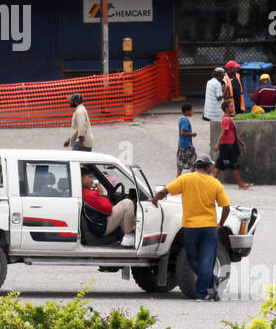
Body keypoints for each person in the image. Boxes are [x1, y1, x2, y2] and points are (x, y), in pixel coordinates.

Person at [149, 155, 231, 301]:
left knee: (193, 260)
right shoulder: (215, 183)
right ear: (208, 167)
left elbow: (164, 192)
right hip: (209, 227)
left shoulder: (185, 179)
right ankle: (205, 289)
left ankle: (210, 283)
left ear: (196, 166)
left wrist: (154, 200)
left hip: (190, 227)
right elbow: (226, 207)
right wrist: (221, 223)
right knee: (207, 260)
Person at [81, 170, 136, 246]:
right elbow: (108, 210)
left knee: (124, 214)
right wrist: (101, 194)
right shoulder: (89, 194)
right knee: (128, 203)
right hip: (101, 227)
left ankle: (125, 238)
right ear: (82, 179)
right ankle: (128, 237)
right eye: (90, 177)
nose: (92, 180)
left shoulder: (83, 192)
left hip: (95, 224)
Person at [213, 98, 254, 189]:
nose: (233, 108)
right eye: (231, 106)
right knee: (234, 164)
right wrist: (217, 144)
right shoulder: (226, 120)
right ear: (226, 109)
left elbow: (232, 133)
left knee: (220, 164)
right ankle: (241, 184)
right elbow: (223, 133)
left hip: (228, 145)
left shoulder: (228, 119)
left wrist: (240, 142)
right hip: (227, 146)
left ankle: (209, 183)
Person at [202, 68, 225, 155]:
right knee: (219, 129)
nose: (223, 78)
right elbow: (219, 97)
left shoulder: (209, 82)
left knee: (213, 128)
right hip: (217, 112)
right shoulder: (217, 83)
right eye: (222, 76)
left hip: (209, 111)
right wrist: (225, 89)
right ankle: (216, 146)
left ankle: (212, 144)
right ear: (219, 76)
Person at [175, 103, 197, 175]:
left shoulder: (181, 119)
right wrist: (192, 134)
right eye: (191, 110)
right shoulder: (185, 121)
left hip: (181, 144)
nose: (192, 112)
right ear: (187, 111)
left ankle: (178, 179)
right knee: (193, 161)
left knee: (180, 164)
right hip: (187, 145)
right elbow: (183, 132)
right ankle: (193, 179)